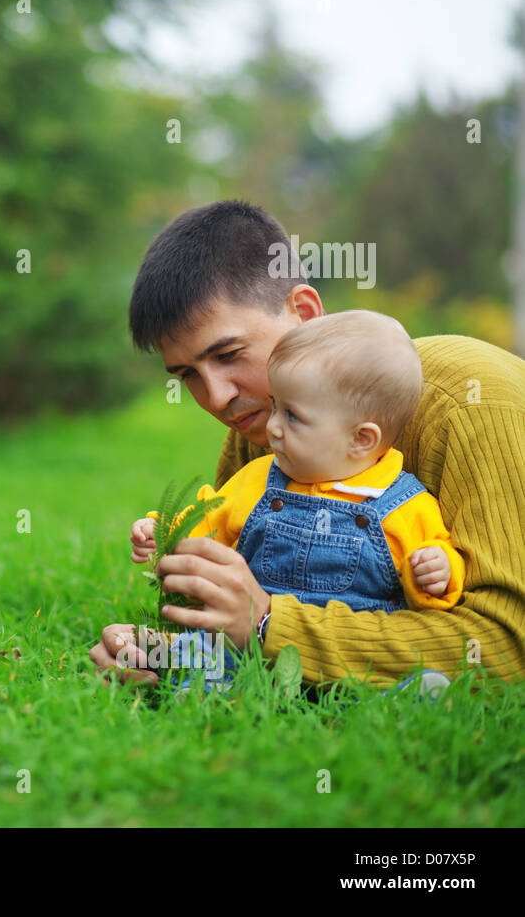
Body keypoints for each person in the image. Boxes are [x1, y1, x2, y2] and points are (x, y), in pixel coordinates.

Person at [90, 199, 525, 687]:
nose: (217, 398)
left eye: (229, 354)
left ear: (305, 311)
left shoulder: (470, 403)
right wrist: (165, 649)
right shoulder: (259, 437)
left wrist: (271, 625)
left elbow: (505, 645)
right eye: (188, 374)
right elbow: (233, 609)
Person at [127, 310, 466, 687]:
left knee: (381, 681)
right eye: (275, 406)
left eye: (293, 417)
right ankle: (170, 670)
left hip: (347, 658)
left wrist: (437, 571)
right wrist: (163, 531)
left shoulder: (404, 505)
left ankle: (406, 697)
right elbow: (207, 520)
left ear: (361, 439)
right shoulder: (259, 480)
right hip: (251, 649)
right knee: (205, 653)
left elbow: (437, 561)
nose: (272, 427)